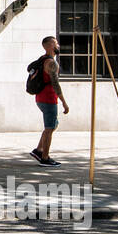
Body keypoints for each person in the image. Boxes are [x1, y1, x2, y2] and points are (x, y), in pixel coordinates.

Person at [31, 36, 69, 166]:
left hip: (40, 98)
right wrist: (64, 101)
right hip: (49, 99)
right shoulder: (51, 63)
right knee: (49, 128)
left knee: (53, 125)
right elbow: (55, 84)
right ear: (48, 46)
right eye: (55, 43)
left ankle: (38, 150)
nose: (57, 46)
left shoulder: (42, 60)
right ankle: (45, 158)